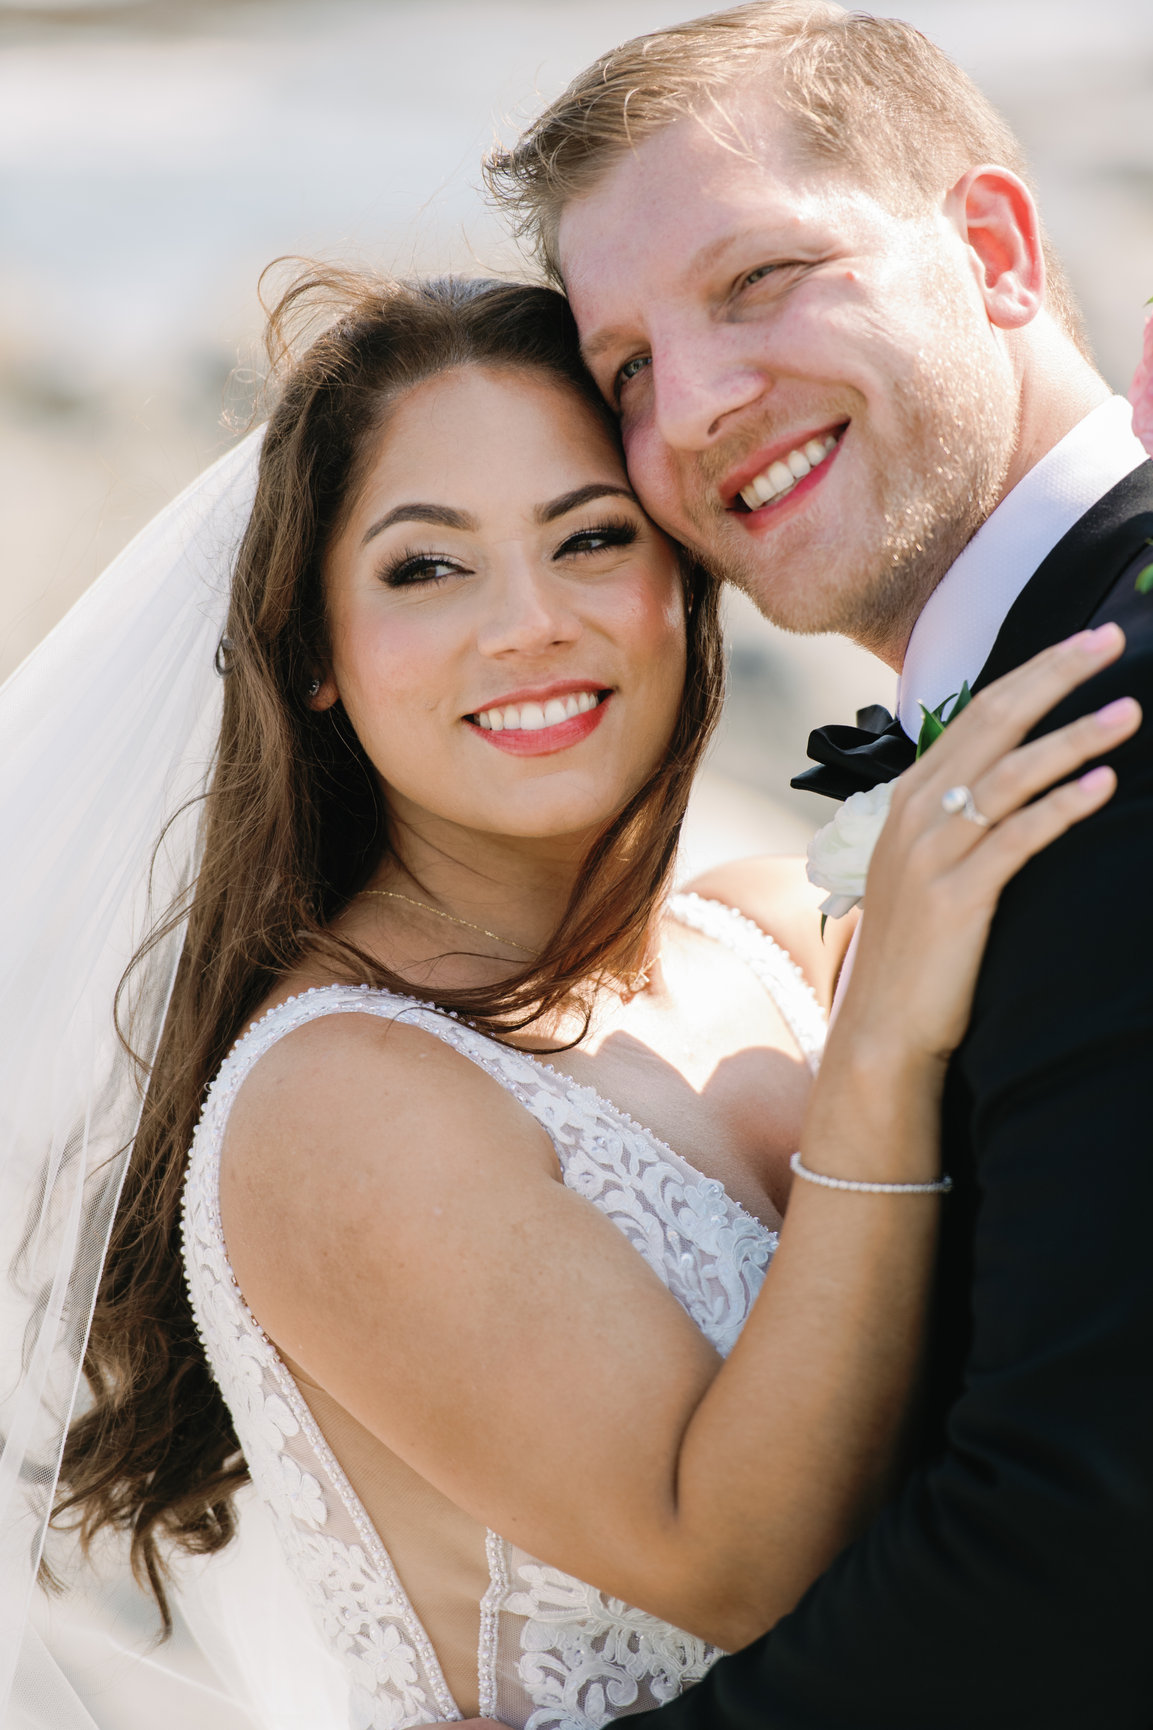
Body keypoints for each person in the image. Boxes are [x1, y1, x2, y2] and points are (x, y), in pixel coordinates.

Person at [18, 254, 1129, 1730]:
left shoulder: (784, 930)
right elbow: (742, 1565)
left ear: (685, 581)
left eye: (592, 538)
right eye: (427, 567)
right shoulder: (338, 1102)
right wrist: (879, 1058)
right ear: (315, 653)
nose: (529, 622)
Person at [481, 2, 1153, 1724]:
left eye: (760, 279)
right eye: (626, 371)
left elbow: (1083, 1544)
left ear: (993, 250)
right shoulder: (1045, 704)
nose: (695, 408)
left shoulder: (1113, 741)